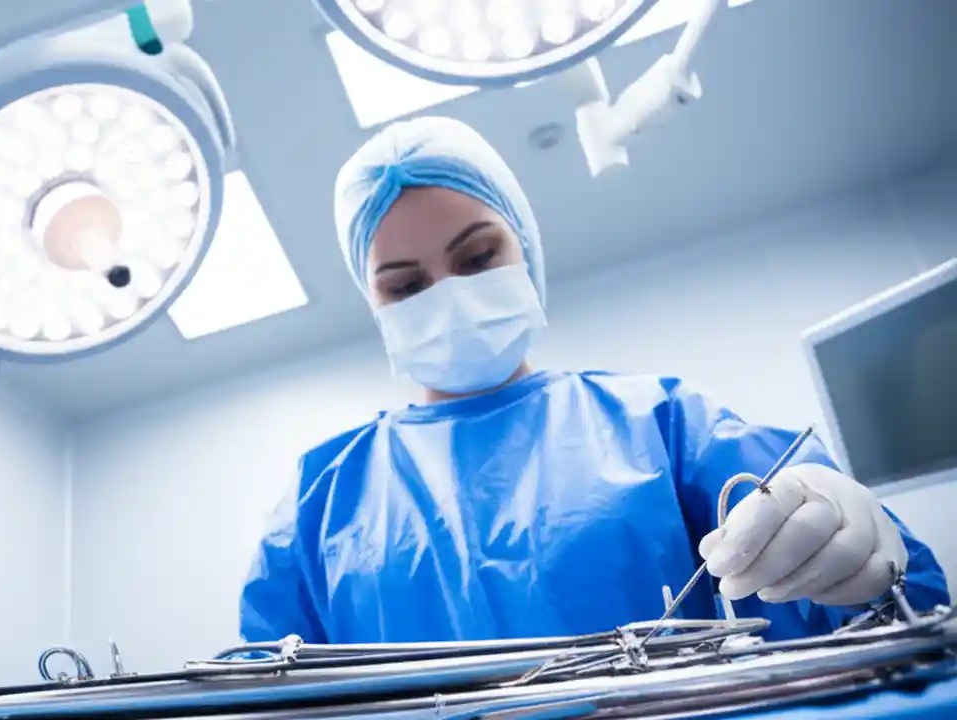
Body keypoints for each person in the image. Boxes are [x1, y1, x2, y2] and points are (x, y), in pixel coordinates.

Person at [238, 116, 949, 644]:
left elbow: (872, 620)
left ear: (526, 250)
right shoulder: (320, 495)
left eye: (478, 257)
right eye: (404, 286)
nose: (447, 293)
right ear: (377, 309)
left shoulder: (659, 423)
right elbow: (258, 694)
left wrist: (862, 556)